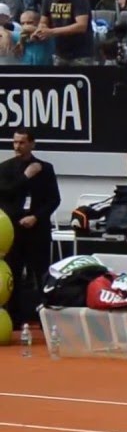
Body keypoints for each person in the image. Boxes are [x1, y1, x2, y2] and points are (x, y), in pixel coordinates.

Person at [0, 128, 60, 328]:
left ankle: (44, 318)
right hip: (13, 231)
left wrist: (36, 217)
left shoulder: (45, 168)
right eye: (15, 142)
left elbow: (54, 199)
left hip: (37, 230)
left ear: (32, 144)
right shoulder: (5, 168)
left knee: (41, 274)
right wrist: (26, 176)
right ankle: (15, 319)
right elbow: (5, 193)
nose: (17, 146)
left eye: (22, 143)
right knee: (14, 274)